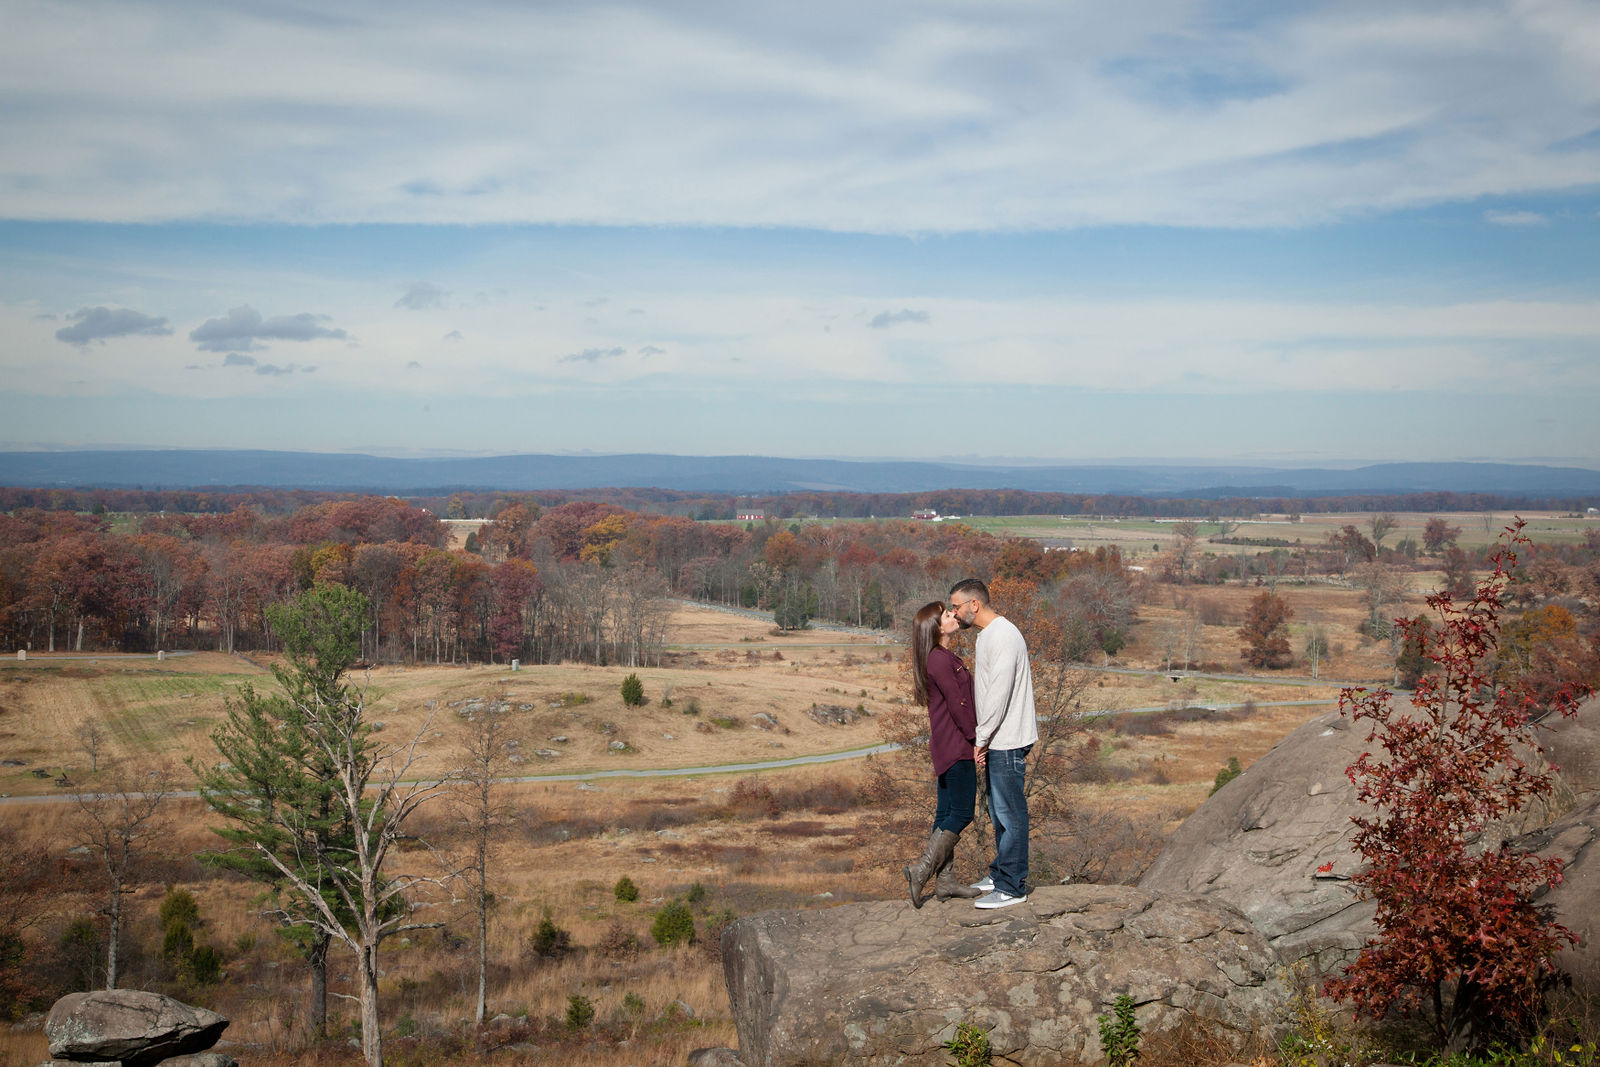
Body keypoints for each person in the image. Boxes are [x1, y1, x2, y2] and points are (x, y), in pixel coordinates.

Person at [948, 578, 1038, 909]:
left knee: (1010, 812)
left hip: (1007, 738)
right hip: (998, 737)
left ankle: (1013, 886)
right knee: (999, 812)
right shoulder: (989, 636)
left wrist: (981, 738)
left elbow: (998, 694)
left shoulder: (1003, 635)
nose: (953, 613)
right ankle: (1001, 874)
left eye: (956, 606)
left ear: (975, 604)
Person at [902, 601, 984, 908]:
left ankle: (946, 882)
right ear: (937, 627)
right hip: (956, 745)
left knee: (946, 814)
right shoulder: (938, 659)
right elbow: (957, 705)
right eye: (947, 615)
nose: (954, 616)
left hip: (949, 744)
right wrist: (976, 739)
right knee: (962, 813)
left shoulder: (941, 657)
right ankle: (921, 870)